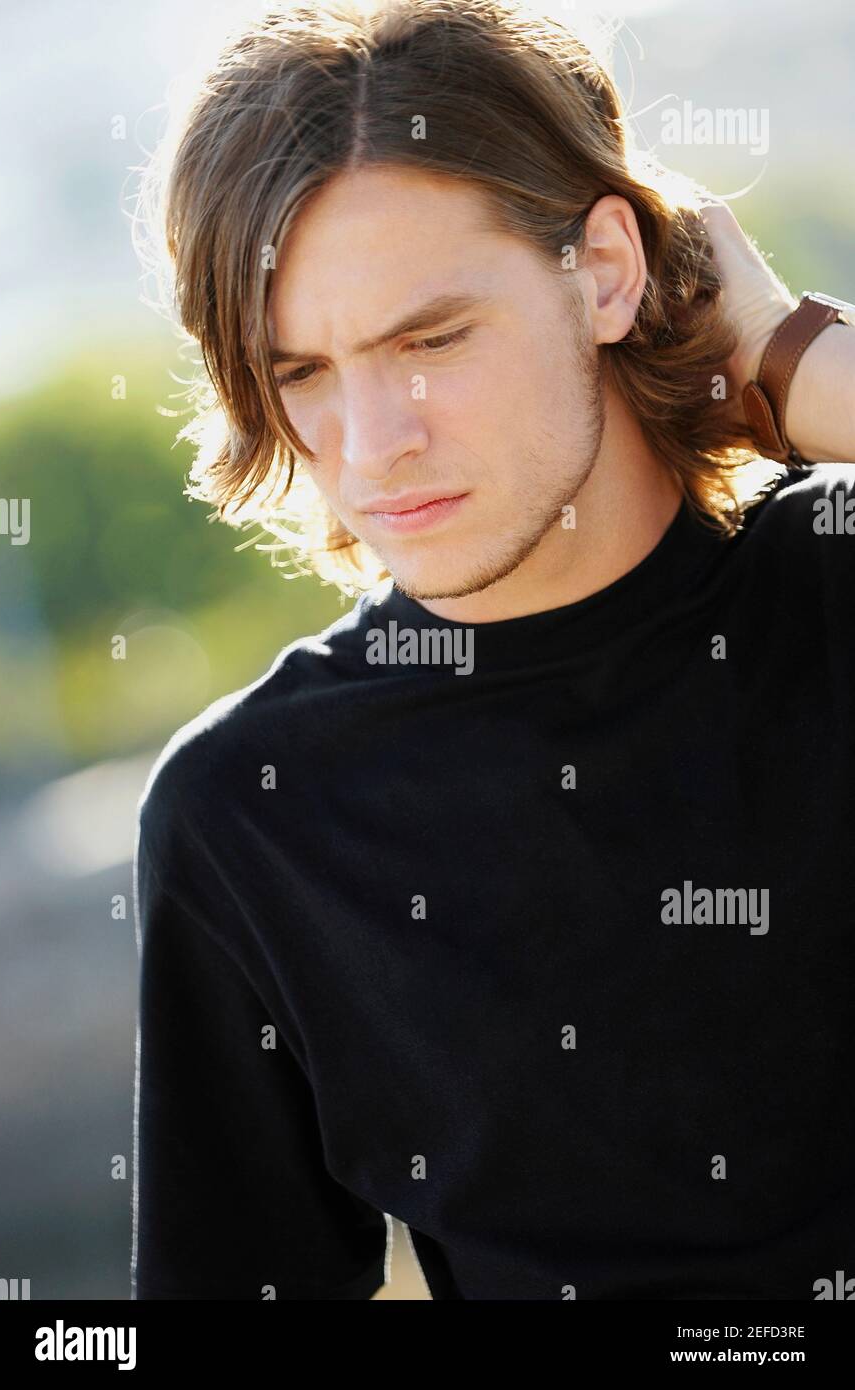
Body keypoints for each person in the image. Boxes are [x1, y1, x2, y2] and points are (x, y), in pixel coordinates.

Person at [129, 0, 855, 1300]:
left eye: (430, 339)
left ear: (606, 272)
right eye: (301, 370)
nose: (369, 441)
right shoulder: (250, 815)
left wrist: (806, 363)